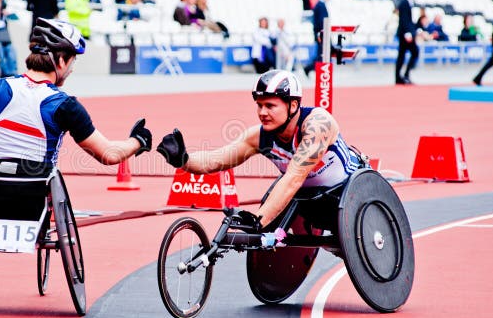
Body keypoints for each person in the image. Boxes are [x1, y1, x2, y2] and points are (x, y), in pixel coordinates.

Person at [0, 18, 152, 233]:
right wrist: (137, 141)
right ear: (60, 61)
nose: (72, 69)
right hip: (35, 201)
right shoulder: (65, 105)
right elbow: (108, 154)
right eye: (72, 61)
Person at [155, 70, 362, 233]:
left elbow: (293, 178)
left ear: (293, 105)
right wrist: (182, 159)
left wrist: (258, 220)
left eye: (270, 106)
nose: (262, 113)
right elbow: (215, 160)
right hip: (310, 203)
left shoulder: (318, 124)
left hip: (352, 195)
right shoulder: (259, 137)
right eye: (259, 105)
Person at [395, 0, 418, 85]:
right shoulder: (405, 2)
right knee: (414, 52)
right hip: (405, 34)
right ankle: (404, 75)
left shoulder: (407, 2)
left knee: (402, 55)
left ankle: (400, 77)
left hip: (405, 33)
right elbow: (404, 19)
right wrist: (408, 33)